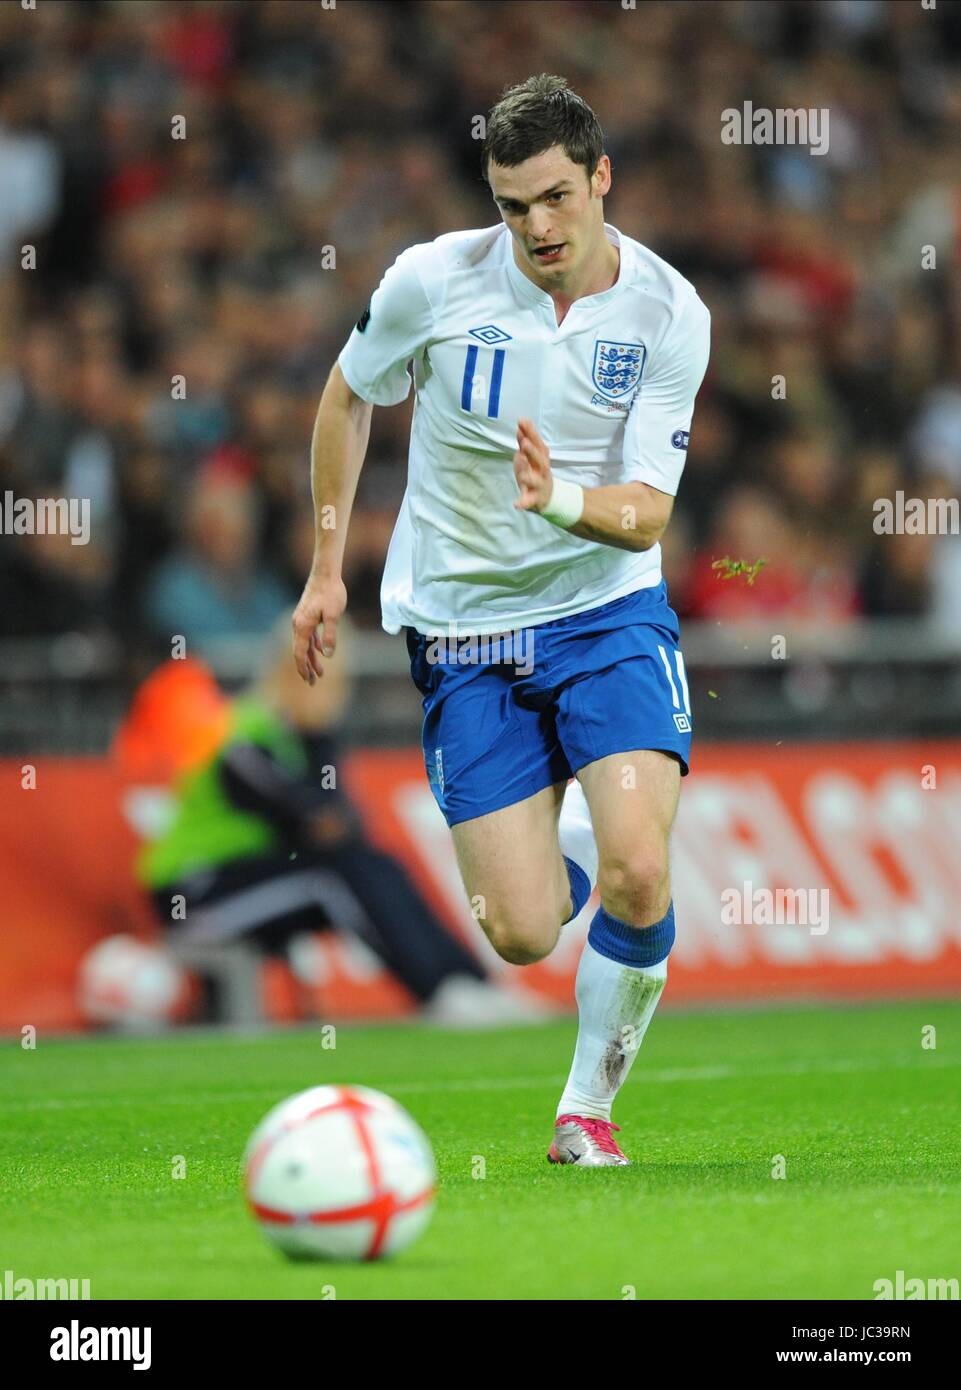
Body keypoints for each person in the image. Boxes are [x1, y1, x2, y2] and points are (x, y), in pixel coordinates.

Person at [292, 75, 711, 1164]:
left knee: (638, 872)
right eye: (512, 203)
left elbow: (649, 514)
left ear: (600, 177)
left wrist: (560, 498)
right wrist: (327, 569)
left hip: (603, 613)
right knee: (522, 933)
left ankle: (586, 1110)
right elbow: (349, 394)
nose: (536, 226)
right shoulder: (431, 283)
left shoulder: (670, 313)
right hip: (466, 632)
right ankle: (572, 830)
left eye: (557, 197)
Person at [138, 621, 541, 1027]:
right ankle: (437, 993)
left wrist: (319, 746)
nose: (333, 692)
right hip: (197, 892)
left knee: (381, 865)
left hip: (251, 876)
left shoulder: (298, 737)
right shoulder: (244, 733)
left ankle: (472, 983)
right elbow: (312, 819)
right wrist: (318, 755)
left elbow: (344, 827)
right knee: (332, 878)